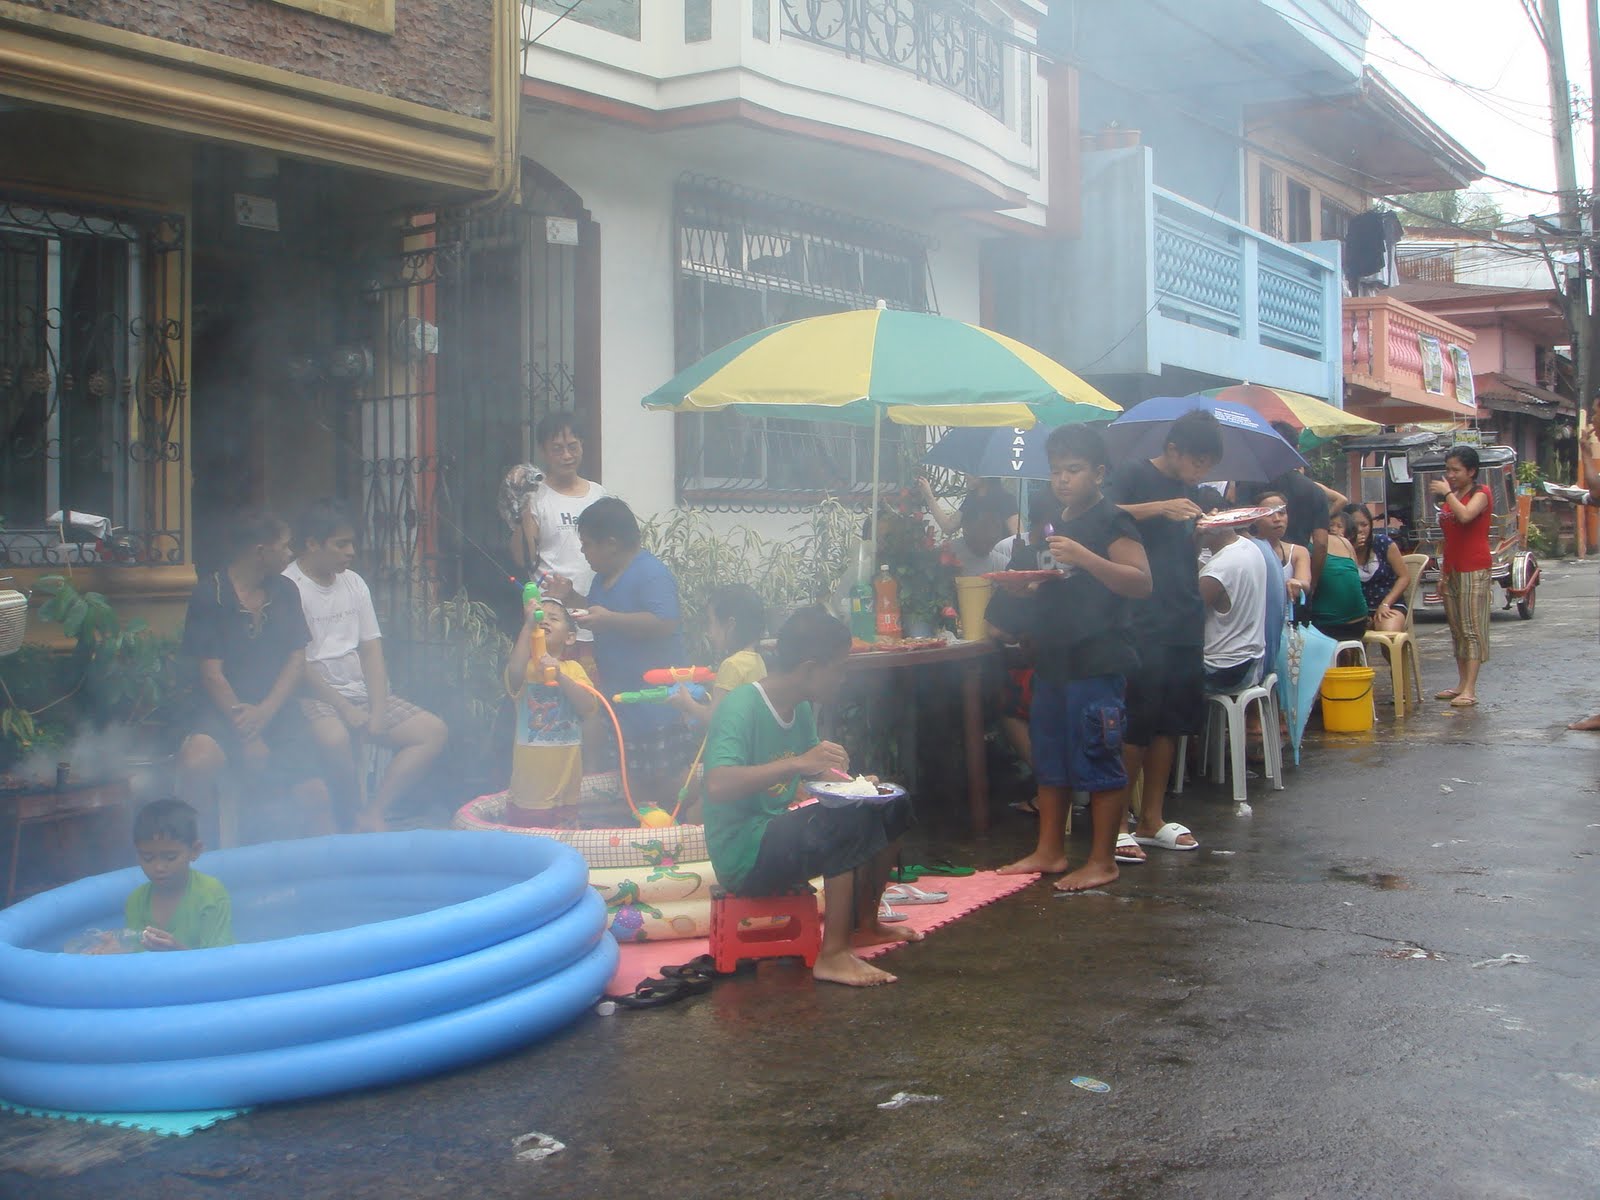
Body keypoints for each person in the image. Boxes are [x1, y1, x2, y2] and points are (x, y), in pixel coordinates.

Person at [704, 608, 917, 988]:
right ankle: (832, 955)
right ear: (808, 668)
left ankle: (865, 925)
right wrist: (799, 763)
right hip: (744, 854)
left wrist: (855, 783)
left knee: (889, 805)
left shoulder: (800, 706)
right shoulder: (741, 706)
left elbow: (815, 770)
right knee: (840, 820)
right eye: (838, 669)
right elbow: (717, 784)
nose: (843, 678)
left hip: (775, 836)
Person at [996, 424, 1150, 891]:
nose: (1063, 479)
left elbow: (1141, 582)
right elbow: (1051, 580)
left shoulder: (1112, 521)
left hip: (1097, 658)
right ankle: (1050, 851)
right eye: (1056, 470)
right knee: (1050, 759)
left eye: (1074, 470)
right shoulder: (1053, 520)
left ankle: (1102, 859)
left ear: (1098, 473)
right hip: (1052, 657)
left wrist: (1087, 558)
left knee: (1099, 757)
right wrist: (1024, 590)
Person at [285, 500, 448, 832]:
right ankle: (348, 816)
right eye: (341, 544)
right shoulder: (289, 587)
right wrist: (344, 708)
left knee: (432, 731)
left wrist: (375, 710)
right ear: (313, 544)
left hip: (360, 693)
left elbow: (372, 650)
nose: (351, 552)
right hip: (314, 695)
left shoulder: (354, 582)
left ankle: (373, 812)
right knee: (335, 739)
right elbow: (297, 664)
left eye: (352, 543)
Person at [1106, 408, 1223, 854]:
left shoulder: (1190, 492)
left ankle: (1152, 819)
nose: (1200, 473)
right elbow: (1105, 515)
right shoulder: (1135, 475)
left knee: (1171, 724)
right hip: (1142, 617)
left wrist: (1208, 532)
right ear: (1172, 449)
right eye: (1197, 462)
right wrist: (1161, 508)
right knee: (1136, 723)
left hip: (1183, 612)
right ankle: (1115, 822)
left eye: (1207, 465)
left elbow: (1182, 545)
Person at [177, 510, 333, 841]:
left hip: (275, 709)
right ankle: (197, 855)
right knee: (197, 761)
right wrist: (249, 734)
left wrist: (266, 711)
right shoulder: (211, 594)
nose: (290, 553)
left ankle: (327, 877)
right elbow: (212, 673)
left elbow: (295, 657)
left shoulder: (285, 590)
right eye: (285, 546)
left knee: (316, 796)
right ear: (261, 551)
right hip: (223, 711)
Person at [570, 498, 697, 806]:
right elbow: (602, 611)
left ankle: (685, 826)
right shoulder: (602, 578)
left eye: (586, 545)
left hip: (657, 705)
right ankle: (643, 830)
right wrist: (569, 597)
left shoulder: (650, 573)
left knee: (668, 779)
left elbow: (664, 621)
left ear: (611, 543)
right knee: (633, 777)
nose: (583, 552)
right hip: (624, 703)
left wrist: (608, 620)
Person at [503, 596, 598, 827]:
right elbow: (514, 672)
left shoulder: (574, 669)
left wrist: (560, 676)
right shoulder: (526, 669)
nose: (544, 620)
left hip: (567, 791)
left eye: (553, 618)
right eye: (540, 617)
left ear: (570, 638)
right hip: (529, 793)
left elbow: (588, 706)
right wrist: (528, 626)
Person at [518, 413, 608, 653]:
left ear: (582, 446)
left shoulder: (599, 495)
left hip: (592, 615)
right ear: (543, 451)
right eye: (557, 449)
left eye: (572, 447)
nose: (567, 456)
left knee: (590, 687)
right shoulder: (535, 497)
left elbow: (611, 553)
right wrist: (520, 509)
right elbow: (521, 557)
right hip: (550, 623)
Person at [113, 799, 232, 952]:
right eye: (147, 858)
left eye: (170, 857)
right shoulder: (136, 901)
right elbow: (137, 958)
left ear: (195, 851)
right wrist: (118, 950)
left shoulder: (210, 894)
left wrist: (177, 952)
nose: (158, 867)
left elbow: (220, 962)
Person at [1431, 444, 1492, 707]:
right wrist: (1443, 572)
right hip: (1453, 567)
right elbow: (1449, 536)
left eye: (1456, 470)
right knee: (1456, 629)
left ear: (1471, 471)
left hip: (1474, 567)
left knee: (1472, 628)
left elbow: (1466, 516)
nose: (1451, 475)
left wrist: (1447, 494)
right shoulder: (1453, 496)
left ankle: (1471, 688)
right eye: (1448, 470)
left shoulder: (1482, 493)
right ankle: (1460, 682)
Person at [1196, 493, 1269, 693]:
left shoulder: (1218, 570)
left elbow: (1188, 616)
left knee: (1157, 677)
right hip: (1253, 661)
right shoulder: (1249, 547)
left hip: (1224, 669)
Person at [672, 583, 767, 727]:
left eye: (712, 622)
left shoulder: (732, 665)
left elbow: (715, 719)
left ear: (730, 625)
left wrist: (687, 703)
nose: (709, 633)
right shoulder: (757, 659)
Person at [1343, 502, 1411, 634]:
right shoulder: (1339, 548)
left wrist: (1385, 604)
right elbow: (1342, 579)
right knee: (1345, 636)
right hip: (1356, 609)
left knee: (1388, 632)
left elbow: (1404, 577)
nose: (1360, 530)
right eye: (1355, 525)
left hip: (1388, 604)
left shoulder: (1382, 543)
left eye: (1364, 525)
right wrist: (1352, 549)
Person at [1308, 511, 1369, 647]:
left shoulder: (1305, 545)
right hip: (1360, 623)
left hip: (1329, 627)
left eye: (1339, 526)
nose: (1334, 528)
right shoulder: (1346, 543)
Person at [918, 474, 1019, 538]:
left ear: (983, 474)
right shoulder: (972, 499)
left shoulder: (1006, 499)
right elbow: (948, 527)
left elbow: (1017, 536)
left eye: (970, 471)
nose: (965, 476)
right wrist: (928, 496)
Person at [943, 505, 1015, 577]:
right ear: (966, 526)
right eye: (986, 527)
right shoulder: (943, 556)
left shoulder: (1003, 565)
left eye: (997, 527)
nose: (992, 534)